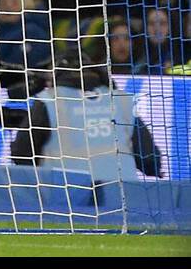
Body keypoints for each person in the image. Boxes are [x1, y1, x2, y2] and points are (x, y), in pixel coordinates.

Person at [10, 55, 161, 181]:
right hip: (122, 196)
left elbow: (22, 154)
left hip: (64, 198)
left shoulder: (49, 100)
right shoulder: (122, 100)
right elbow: (150, 159)